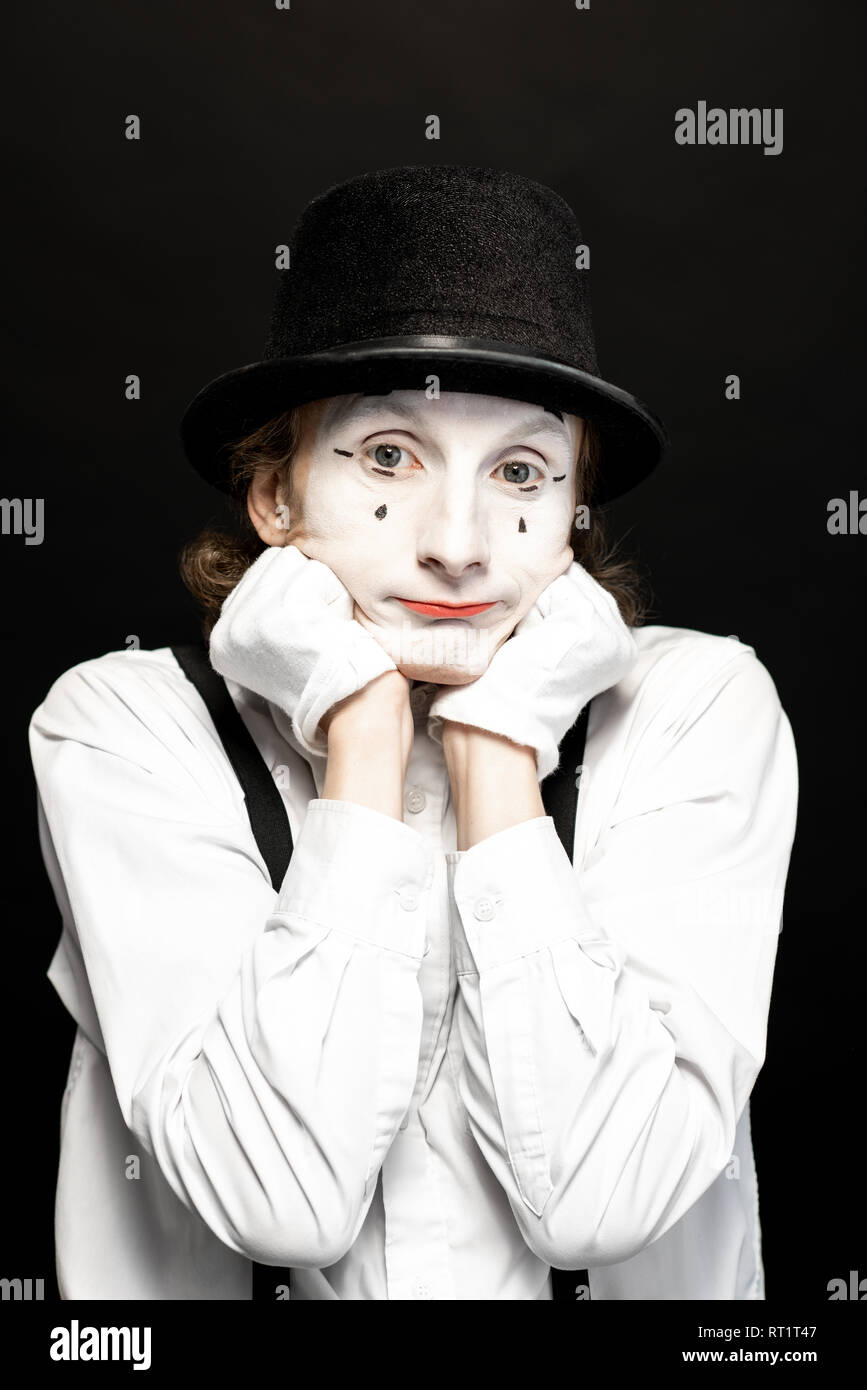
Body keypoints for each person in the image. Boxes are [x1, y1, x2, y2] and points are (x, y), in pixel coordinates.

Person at [28, 164, 798, 1300]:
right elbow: (278, 1200)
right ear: (276, 494)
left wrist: (498, 745)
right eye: (388, 455)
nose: (457, 541)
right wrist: (363, 730)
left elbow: (599, 1201)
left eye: (522, 472)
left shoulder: (695, 709)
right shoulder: (126, 727)